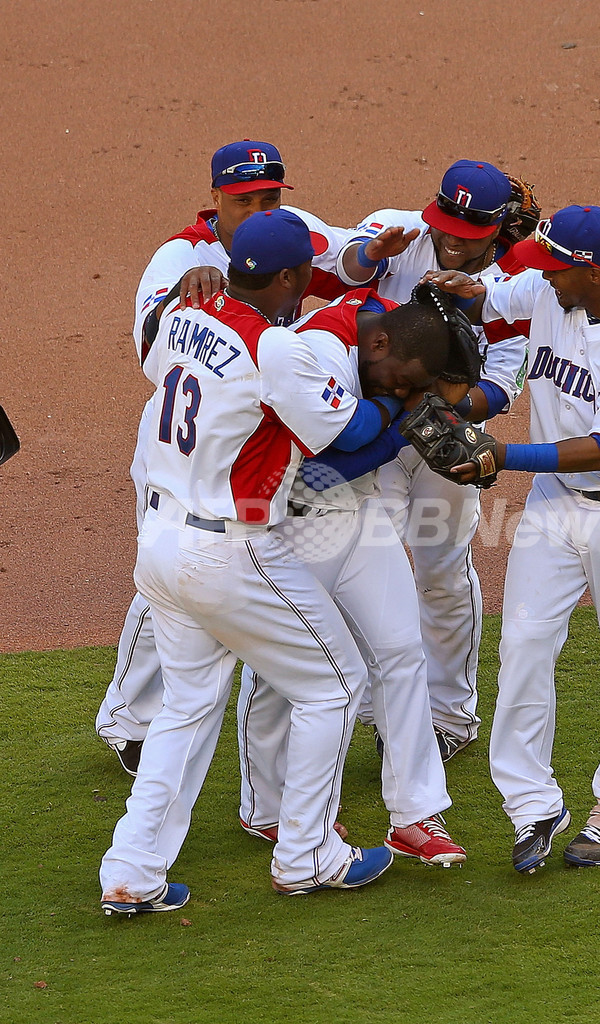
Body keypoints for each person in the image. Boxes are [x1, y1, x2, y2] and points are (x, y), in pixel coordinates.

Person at [100, 209, 397, 914]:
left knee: (185, 705)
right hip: (226, 550)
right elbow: (349, 434)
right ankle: (308, 854)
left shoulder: (183, 315)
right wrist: (399, 406)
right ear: (291, 278)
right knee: (334, 683)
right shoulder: (276, 351)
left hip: (159, 544)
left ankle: (132, 873)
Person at [424, 205, 600, 871]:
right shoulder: (550, 289)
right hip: (553, 504)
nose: (542, 279)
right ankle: (531, 804)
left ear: (593, 271)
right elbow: (491, 296)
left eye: (556, 269)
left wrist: (499, 456)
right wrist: (464, 290)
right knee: (522, 643)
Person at [95, 140, 349, 775]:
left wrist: (381, 246)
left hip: (243, 440)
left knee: (184, 576)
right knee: (173, 580)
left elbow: (347, 257)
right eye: (244, 201)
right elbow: (148, 347)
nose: (257, 209)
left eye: (269, 197)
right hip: (183, 449)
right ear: (215, 198)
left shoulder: (285, 232)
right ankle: (128, 717)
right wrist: (184, 296)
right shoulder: (181, 255)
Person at [238, 289, 467, 867]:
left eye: (411, 386)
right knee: (275, 674)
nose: (399, 388)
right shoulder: (316, 348)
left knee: (400, 649)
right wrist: (403, 420)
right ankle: (266, 807)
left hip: (360, 516)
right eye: (402, 379)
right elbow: (327, 463)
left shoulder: (385, 332)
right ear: (380, 343)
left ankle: (414, 814)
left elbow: (375, 435)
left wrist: (412, 408)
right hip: (289, 527)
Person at [333, 160, 534, 759]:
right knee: (367, 567)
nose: (449, 240)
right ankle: (375, 708)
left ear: (497, 229)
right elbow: (329, 269)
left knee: (442, 573)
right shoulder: (398, 234)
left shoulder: (517, 285)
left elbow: (503, 380)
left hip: (443, 441)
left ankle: (448, 714)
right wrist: (369, 258)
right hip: (377, 438)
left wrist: (443, 407)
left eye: (467, 233)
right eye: (444, 223)